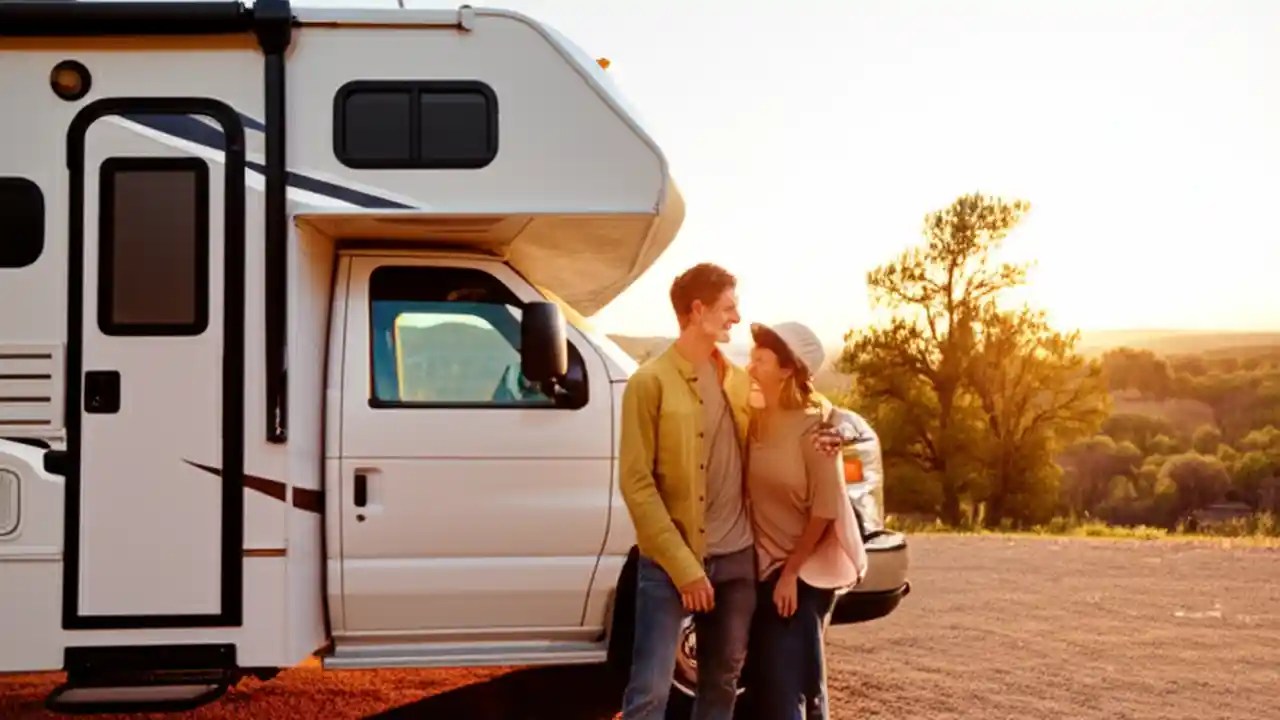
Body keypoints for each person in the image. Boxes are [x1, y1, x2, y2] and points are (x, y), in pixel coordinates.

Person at [618, 263, 850, 720]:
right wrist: (686, 570)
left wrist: (836, 425)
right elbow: (637, 485)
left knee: (721, 686)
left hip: (736, 564)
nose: (737, 319)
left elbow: (801, 399)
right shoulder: (649, 383)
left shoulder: (738, 382)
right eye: (728, 308)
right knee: (650, 691)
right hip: (669, 566)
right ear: (697, 310)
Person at [742, 320, 868, 720]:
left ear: (786, 370)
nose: (750, 367)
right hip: (767, 572)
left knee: (785, 690)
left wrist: (790, 573)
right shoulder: (757, 416)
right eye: (752, 357)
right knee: (784, 683)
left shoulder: (817, 432)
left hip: (801, 576)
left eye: (760, 359)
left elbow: (826, 511)